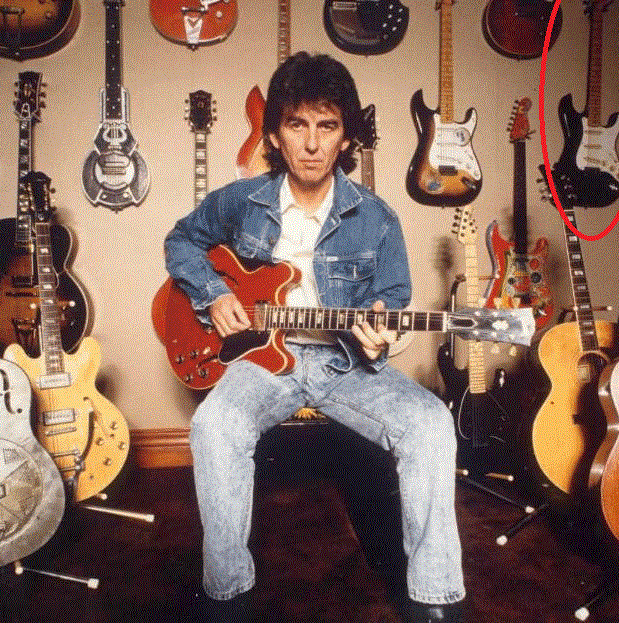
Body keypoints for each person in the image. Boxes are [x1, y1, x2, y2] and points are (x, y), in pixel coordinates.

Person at [164, 51, 465, 623]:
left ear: (345, 137)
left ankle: (435, 597)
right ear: (274, 135)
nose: (310, 143)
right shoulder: (240, 200)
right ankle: (227, 594)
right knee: (214, 424)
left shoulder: (377, 217)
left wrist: (381, 337)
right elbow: (181, 241)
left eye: (326, 127)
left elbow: (394, 303)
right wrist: (215, 294)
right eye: (297, 125)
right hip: (260, 360)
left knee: (430, 423)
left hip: (344, 362)